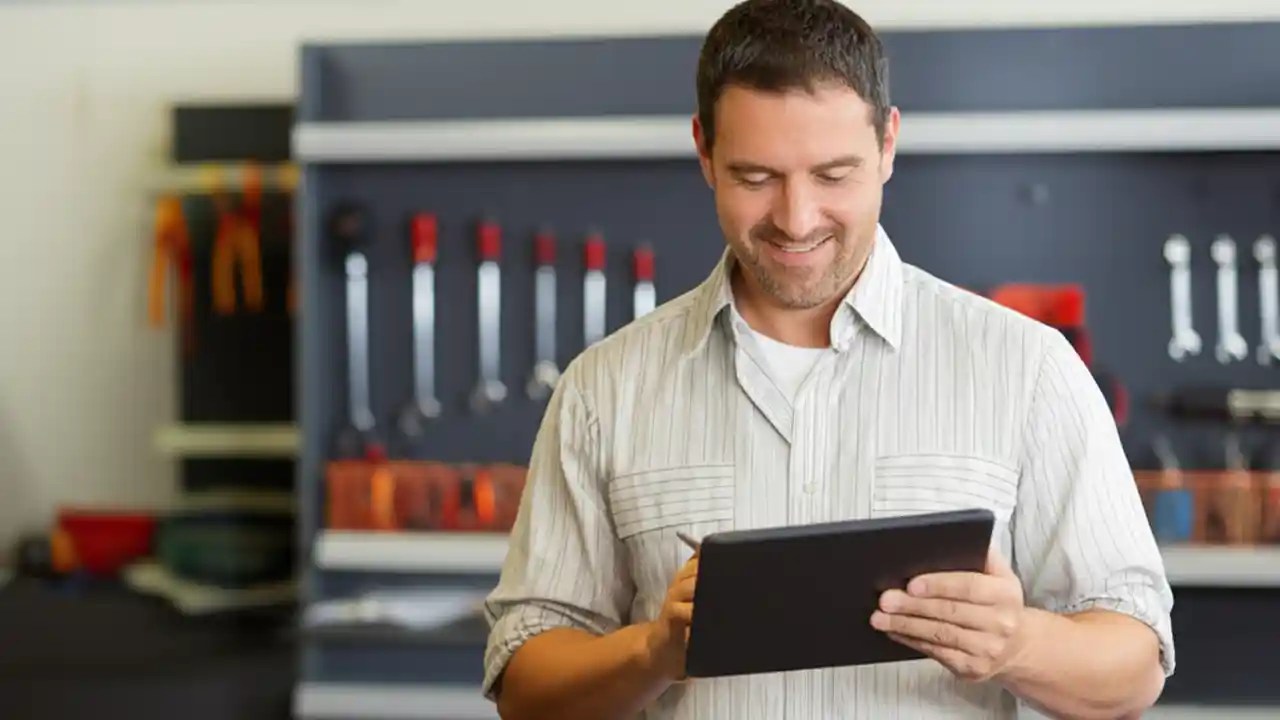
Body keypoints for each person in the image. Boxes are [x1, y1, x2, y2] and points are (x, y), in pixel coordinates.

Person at [481, 0, 1175, 717]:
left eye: (834, 174)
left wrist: (1018, 644)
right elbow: (525, 685)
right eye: (756, 178)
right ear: (704, 153)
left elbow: (1137, 662)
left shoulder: (1027, 368)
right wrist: (655, 650)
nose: (797, 218)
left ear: (888, 144)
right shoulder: (605, 389)